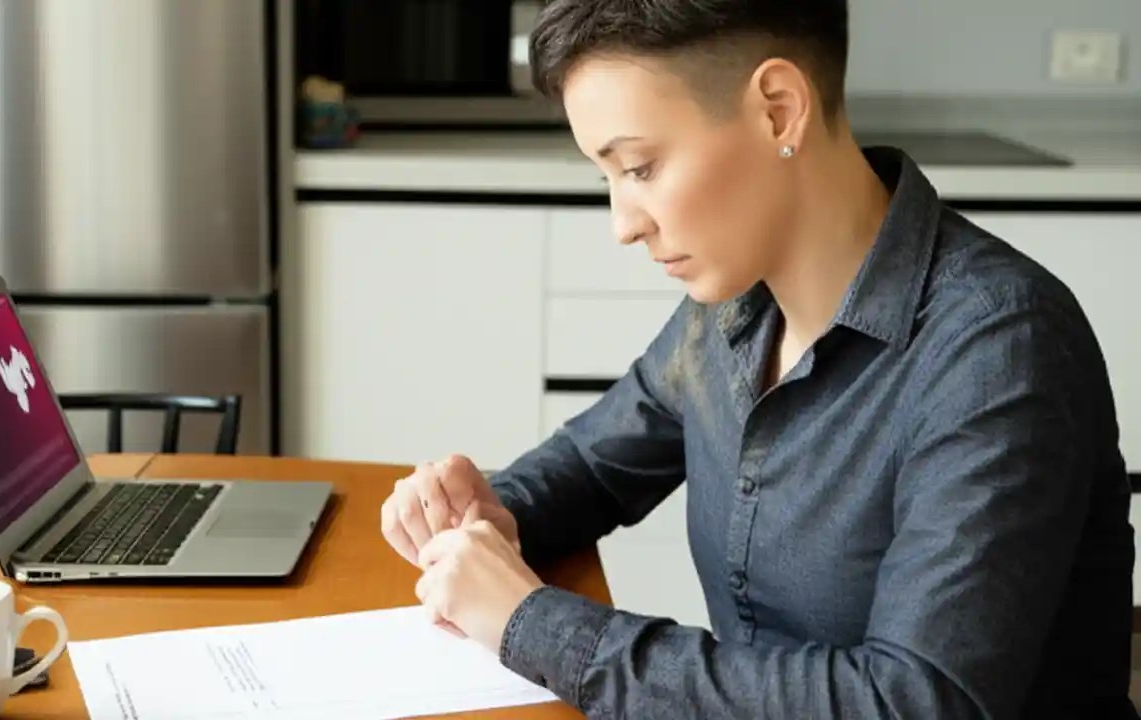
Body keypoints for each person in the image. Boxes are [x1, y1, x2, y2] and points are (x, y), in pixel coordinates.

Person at [379, 1, 1137, 717]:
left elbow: (912, 702)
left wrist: (533, 624)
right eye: (605, 175)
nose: (623, 223)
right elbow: (592, 466)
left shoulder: (999, 349)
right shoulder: (733, 307)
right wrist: (485, 515)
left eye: (639, 167)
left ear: (778, 109)